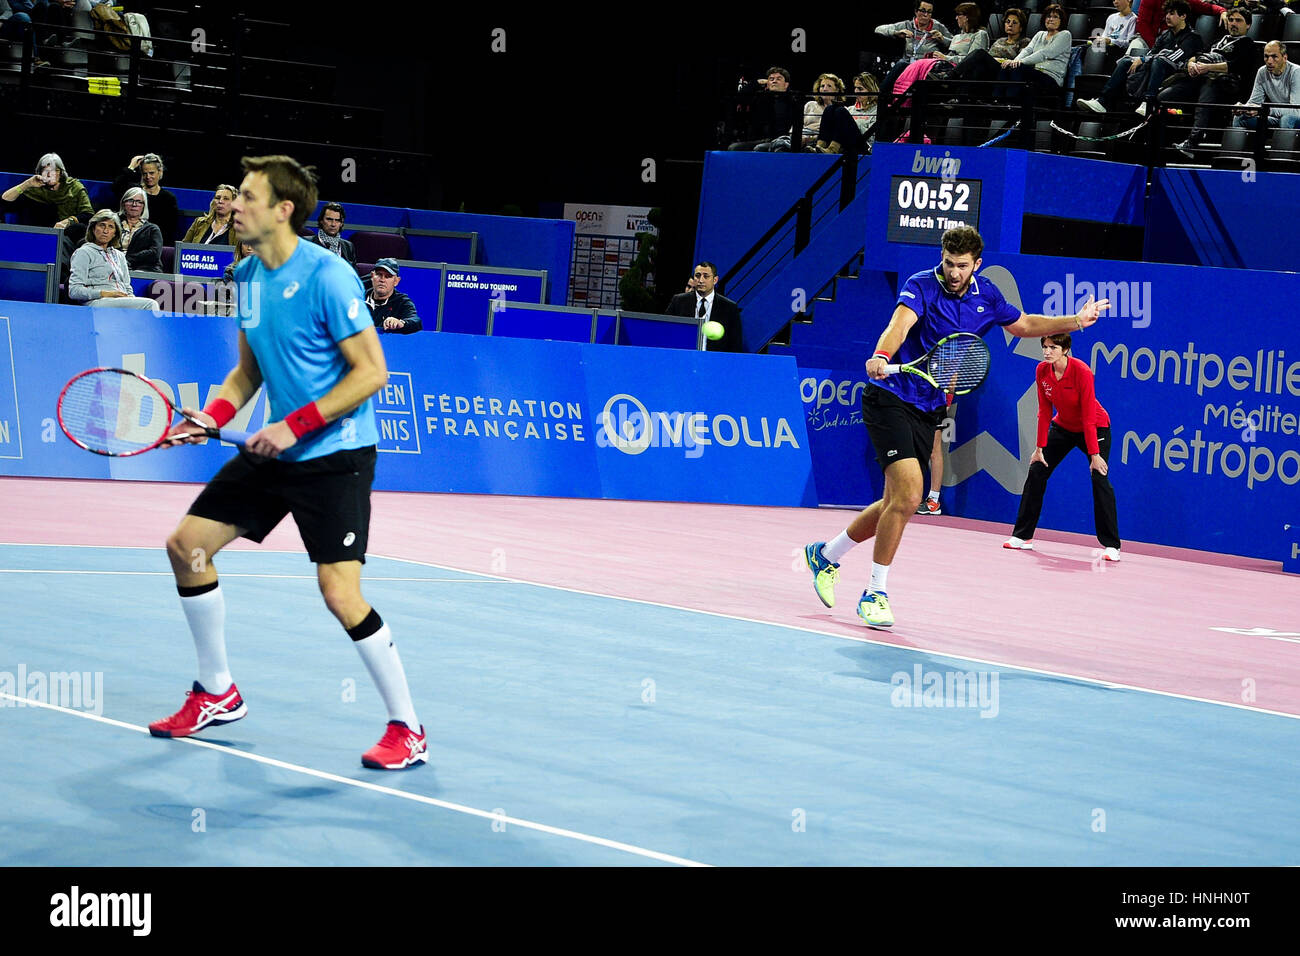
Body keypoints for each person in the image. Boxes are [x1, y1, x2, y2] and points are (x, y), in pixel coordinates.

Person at [149, 154, 426, 771]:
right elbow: (247, 372)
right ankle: (217, 690)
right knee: (188, 545)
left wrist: (293, 424)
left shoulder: (330, 277)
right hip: (275, 449)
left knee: (339, 591)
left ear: (283, 210)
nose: (233, 206)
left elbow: (372, 373)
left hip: (335, 454)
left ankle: (407, 728)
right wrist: (212, 417)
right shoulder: (247, 277)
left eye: (247, 197)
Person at [802, 226, 1109, 628]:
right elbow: (899, 326)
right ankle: (874, 592)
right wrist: (881, 354)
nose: (953, 272)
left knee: (896, 502)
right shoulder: (921, 286)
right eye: (948, 263)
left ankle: (825, 556)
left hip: (928, 408)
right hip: (889, 398)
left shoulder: (989, 297)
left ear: (976, 265)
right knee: (911, 494)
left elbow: (1026, 324)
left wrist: (1076, 321)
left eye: (962, 266)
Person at [1003, 333, 1121, 561]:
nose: (1047, 352)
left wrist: (1094, 455)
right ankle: (1022, 536)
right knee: (1037, 470)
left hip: (1095, 427)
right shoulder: (1042, 371)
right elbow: (1045, 411)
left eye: (1053, 347)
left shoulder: (1082, 372)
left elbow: (1088, 416)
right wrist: (1039, 448)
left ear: (1065, 349)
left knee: (1099, 477)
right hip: (1063, 427)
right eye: (1045, 347)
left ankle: (1112, 545)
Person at [1077, 0, 1203, 113]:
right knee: (1126, 61)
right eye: (1167, 14)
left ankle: (1148, 102)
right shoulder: (1165, 35)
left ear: (1183, 16)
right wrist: (1142, 59)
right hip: (1156, 66)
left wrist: (1143, 59)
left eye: (1172, 14)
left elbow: (1173, 57)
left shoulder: (1192, 37)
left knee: (1158, 61)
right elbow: (1152, 52)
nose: (1167, 17)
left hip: (1176, 73)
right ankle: (1102, 101)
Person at [1167, 8, 1263, 155]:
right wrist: (1191, 64)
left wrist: (1208, 68)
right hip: (1202, 76)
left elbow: (1235, 66)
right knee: (1166, 95)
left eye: (1238, 21)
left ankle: (1193, 141)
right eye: (1231, 20)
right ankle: (1159, 139)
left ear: (1248, 25)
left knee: (1209, 87)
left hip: (1226, 84)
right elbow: (1198, 54)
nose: (1233, 24)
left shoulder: (1247, 44)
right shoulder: (1219, 40)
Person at [67, 208, 161, 310]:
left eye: (110, 227)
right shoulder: (84, 252)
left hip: (120, 301)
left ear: (115, 233)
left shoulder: (119, 256)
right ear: (93, 229)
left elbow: (127, 287)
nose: (106, 231)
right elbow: (74, 291)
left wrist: (131, 299)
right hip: (97, 302)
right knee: (150, 304)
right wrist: (104, 293)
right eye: (102, 225)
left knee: (141, 308)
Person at [0, 152, 92, 237]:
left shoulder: (74, 187)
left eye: (54, 171)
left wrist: (68, 221)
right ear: (40, 173)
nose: (50, 174)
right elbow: (4, 201)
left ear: (61, 172)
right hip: (38, 234)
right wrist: (27, 184)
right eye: (45, 171)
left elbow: (88, 214)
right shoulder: (34, 189)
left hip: (67, 235)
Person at [998, 4, 1073, 99]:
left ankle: (1010, 104)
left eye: (1055, 17)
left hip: (1051, 78)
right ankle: (997, 101)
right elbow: (1028, 50)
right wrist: (1014, 61)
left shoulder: (1065, 35)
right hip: (1036, 73)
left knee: (1019, 68)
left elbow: (1045, 54)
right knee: (1007, 67)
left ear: (1061, 21)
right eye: (1048, 16)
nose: (1050, 19)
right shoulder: (1040, 34)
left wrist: (1020, 62)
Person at [877, 0, 953, 93]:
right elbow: (879, 29)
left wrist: (942, 39)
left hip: (926, 66)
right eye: (923, 11)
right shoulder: (907, 25)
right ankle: (880, 97)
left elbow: (954, 44)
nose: (926, 15)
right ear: (916, 11)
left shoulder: (938, 26)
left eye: (929, 12)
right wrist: (896, 33)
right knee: (900, 66)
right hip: (908, 63)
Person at [666, 261, 743, 353]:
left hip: (714, 361)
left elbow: (735, 344)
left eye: (706, 276)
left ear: (715, 280)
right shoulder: (678, 301)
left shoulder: (729, 307)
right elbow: (667, 332)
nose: (701, 280)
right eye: (697, 276)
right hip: (683, 357)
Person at [947, 7, 1030, 86]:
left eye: (1014, 22)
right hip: (991, 68)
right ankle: (960, 97)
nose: (1010, 25)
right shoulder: (1000, 40)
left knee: (979, 52)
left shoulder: (1024, 41)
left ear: (1021, 28)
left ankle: (950, 75)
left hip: (1005, 70)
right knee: (977, 68)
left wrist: (1000, 60)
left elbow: (1020, 61)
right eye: (1007, 22)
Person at [1232, 40, 1300, 130]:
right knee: (1240, 118)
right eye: (1266, 57)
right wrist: (1244, 108)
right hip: (1276, 117)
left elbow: (1296, 111)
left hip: (1294, 117)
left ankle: (1281, 144)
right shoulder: (1262, 72)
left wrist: (1265, 110)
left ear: (1285, 58)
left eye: (1274, 56)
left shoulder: (1296, 72)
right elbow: (1255, 102)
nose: (1269, 61)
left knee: (1287, 119)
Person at [112, 153, 179, 243]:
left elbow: (170, 228)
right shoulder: (135, 192)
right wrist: (131, 167)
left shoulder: (168, 198)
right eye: (144, 173)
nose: (148, 177)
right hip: (129, 240)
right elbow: (116, 187)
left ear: (159, 172)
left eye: (151, 173)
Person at [729, 67, 798, 151]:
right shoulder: (760, 98)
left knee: (760, 148)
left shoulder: (793, 101)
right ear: (767, 84)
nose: (774, 81)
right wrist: (757, 82)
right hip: (759, 140)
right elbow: (739, 98)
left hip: (782, 141)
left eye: (778, 79)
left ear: (786, 85)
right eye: (771, 79)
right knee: (733, 148)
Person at [915, 403, 956, 515]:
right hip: (914, 401)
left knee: (934, 450)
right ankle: (913, 498)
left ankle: (933, 501)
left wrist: (948, 401)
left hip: (934, 404)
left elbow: (950, 385)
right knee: (914, 449)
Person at [365, 257, 421, 334]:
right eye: (379, 275)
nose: (382, 280)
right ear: (372, 276)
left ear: (396, 281)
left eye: (388, 276)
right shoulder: (358, 299)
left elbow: (416, 322)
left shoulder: (402, 302)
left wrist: (401, 323)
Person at [117, 186, 163, 272]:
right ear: (123, 203)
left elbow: (154, 253)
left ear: (143, 206)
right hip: (116, 266)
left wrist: (128, 259)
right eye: (130, 200)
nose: (134, 205)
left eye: (139, 202)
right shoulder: (114, 224)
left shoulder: (152, 229)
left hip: (144, 268)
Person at [308, 201, 357, 267]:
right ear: (321, 221)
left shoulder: (348, 247)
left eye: (337, 220)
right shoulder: (307, 243)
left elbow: (353, 274)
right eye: (329, 219)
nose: (333, 224)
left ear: (341, 223)